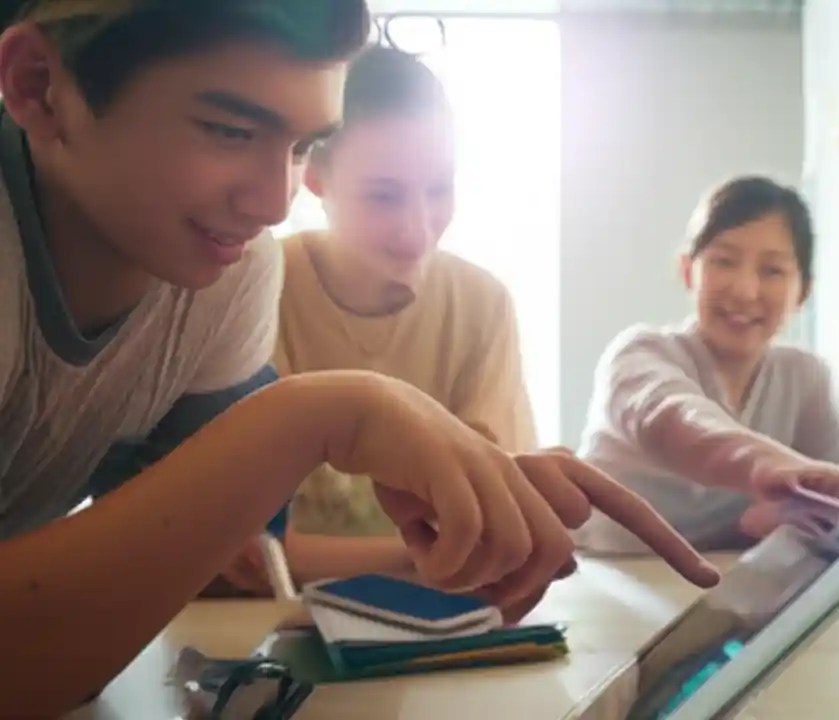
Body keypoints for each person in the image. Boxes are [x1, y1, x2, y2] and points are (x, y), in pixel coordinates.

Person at [0, 2, 716, 715]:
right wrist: (320, 415)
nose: (275, 203)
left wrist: (478, 502)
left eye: (301, 145)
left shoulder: (230, 277)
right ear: (37, 87)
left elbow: (163, 586)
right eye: (229, 130)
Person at [273, 46, 537, 584]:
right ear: (316, 178)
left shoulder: (482, 306)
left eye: (439, 189)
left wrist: (298, 557)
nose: (418, 231)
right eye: (383, 197)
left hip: (441, 626)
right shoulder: (254, 295)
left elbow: (495, 530)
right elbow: (231, 553)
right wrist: (425, 555)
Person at [573, 176, 839, 553]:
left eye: (772, 271)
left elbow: (836, 503)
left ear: (803, 291)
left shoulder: (806, 379)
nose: (744, 290)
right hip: (608, 577)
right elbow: (672, 417)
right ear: (689, 271)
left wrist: (787, 520)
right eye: (724, 261)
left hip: (730, 589)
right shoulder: (639, 353)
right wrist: (765, 465)